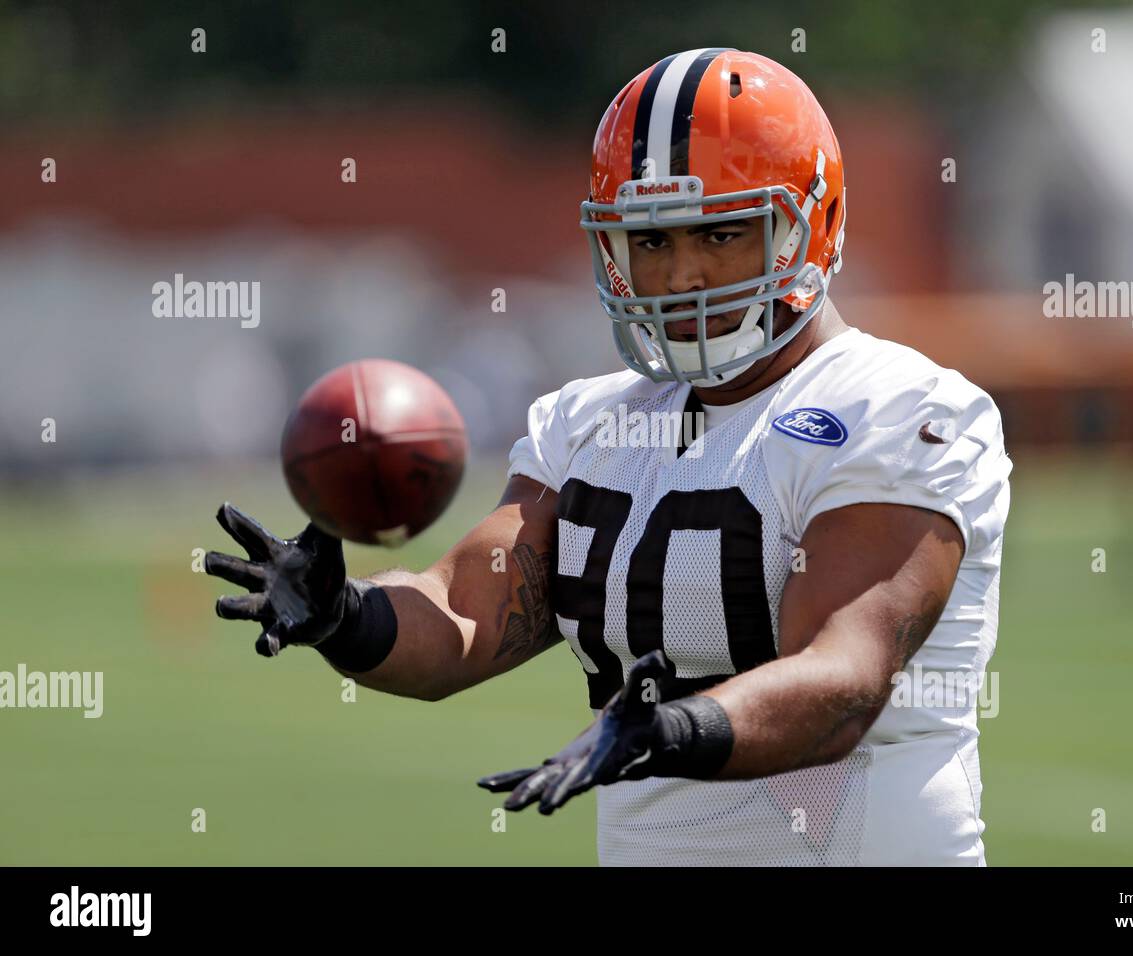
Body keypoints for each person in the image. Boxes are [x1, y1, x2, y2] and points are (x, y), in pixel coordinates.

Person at [205, 48, 1012, 866]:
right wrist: (346, 617)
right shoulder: (589, 423)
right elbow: (461, 617)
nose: (683, 272)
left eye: (723, 232)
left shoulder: (898, 406)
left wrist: (665, 727)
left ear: (813, 223)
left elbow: (839, 682)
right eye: (651, 241)